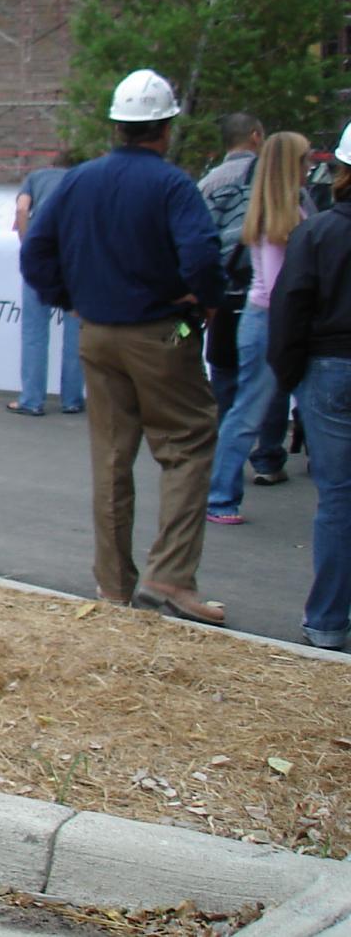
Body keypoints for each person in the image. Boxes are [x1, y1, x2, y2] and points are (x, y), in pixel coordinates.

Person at [20, 69, 227, 624]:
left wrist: (70, 297)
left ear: (117, 125)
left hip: (97, 331)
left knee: (112, 458)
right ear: (164, 128)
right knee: (186, 444)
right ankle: (169, 578)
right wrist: (205, 299)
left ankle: (113, 586)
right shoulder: (172, 185)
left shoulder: (78, 180)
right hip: (160, 331)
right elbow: (203, 255)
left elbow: (36, 250)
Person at [267, 122, 351, 652]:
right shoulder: (317, 231)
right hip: (328, 362)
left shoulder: (318, 233)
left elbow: (290, 307)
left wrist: (291, 374)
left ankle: (327, 620)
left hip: (330, 367)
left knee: (338, 499)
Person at [207, 131, 310, 523]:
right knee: (248, 411)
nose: (310, 168)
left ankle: (220, 494)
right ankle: (219, 496)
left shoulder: (281, 211)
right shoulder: (279, 217)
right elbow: (281, 285)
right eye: (304, 161)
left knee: (248, 409)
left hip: (268, 319)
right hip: (270, 320)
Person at [9, 151, 85, 417]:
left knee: (34, 331)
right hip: (75, 259)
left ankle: (31, 400)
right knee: (75, 331)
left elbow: (21, 209)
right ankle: (73, 399)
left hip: (43, 257)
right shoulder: (84, 180)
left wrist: (28, 245)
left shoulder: (36, 177)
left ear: (53, 163)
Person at [198, 112, 264, 419]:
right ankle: (267, 456)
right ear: (255, 135)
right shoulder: (274, 180)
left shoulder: (207, 183)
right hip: (265, 293)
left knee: (223, 372)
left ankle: (225, 444)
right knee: (265, 380)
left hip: (223, 292)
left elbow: (197, 242)